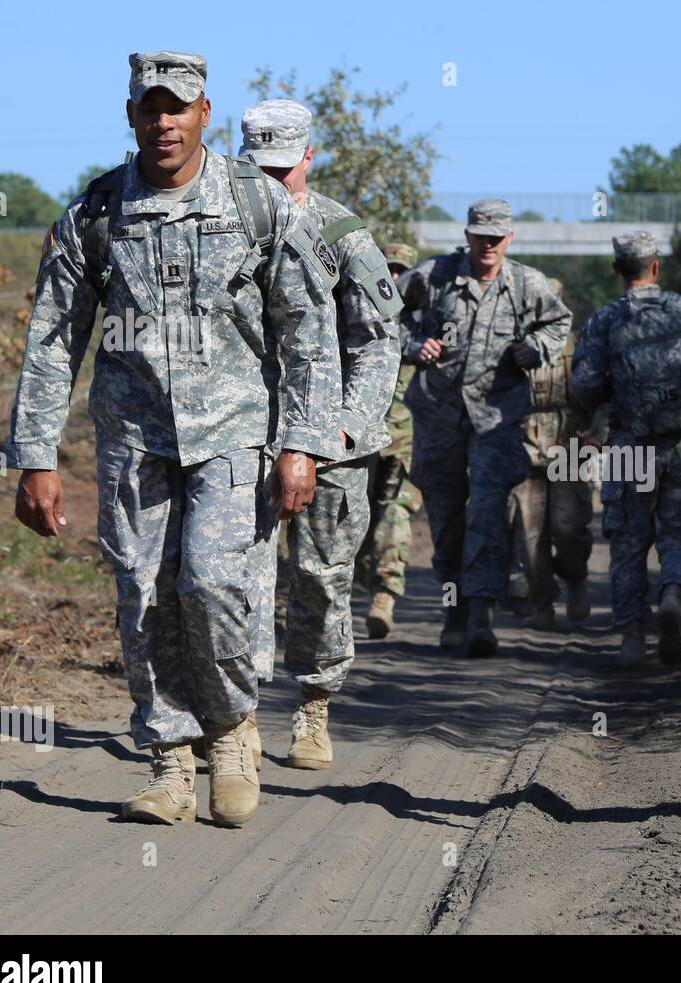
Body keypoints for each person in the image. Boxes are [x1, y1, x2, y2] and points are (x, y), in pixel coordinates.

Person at [4, 52, 343, 827]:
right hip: (134, 438)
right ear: (131, 117)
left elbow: (307, 327)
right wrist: (34, 456)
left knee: (214, 585)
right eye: (150, 108)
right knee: (144, 595)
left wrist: (303, 441)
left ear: (205, 115)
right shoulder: (97, 212)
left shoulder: (257, 202)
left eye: (178, 108)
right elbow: (54, 339)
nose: (164, 122)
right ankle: (168, 761)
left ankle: (229, 733)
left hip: (233, 434)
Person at [240, 99, 402, 770]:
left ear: (309, 156)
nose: (273, 180)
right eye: (260, 168)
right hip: (243, 434)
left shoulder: (342, 234)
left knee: (322, 578)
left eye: (284, 167)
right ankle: (238, 717)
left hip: (330, 445)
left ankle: (312, 708)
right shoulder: (230, 221)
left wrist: (347, 423)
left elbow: (377, 338)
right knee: (238, 580)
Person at [396, 200, 572, 656]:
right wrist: (414, 344)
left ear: (510, 238)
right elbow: (382, 312)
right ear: (468, 235)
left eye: (497, 237)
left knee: (489, 514)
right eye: (481, 236)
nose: (489, 245)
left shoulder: (527, 285)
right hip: (438, 417)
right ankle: (454, 609)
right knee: (447, 519)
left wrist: (536, 347)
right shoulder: (433, 276)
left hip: (496, 418)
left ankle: (481, 615)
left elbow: (559, 323)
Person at [572, 232, 681, 667]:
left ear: (617, 269)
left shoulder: (605, 319)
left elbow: (584, 388)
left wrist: (613, 392)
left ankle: (632, 635)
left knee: (629, 542)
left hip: (630, 446)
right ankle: (672, 594)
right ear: (656, 266)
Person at [507, 277, 597, 630]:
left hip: (567, 449)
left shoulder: (576, 349)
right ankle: (541, 602)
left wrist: (592, 434)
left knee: (568, 526)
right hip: (524, 448)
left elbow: (595, 394)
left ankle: (576, 577)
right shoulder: (514, 348)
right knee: (529, 534)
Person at [361, 243, 425, 640]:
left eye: (403, 271)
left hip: (404, 436)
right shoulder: (355, 313)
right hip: (357, 436)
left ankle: (385, 595)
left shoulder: (425, 323)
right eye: (389, 270)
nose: (395, 278)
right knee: (351, 516)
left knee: (395, 510)